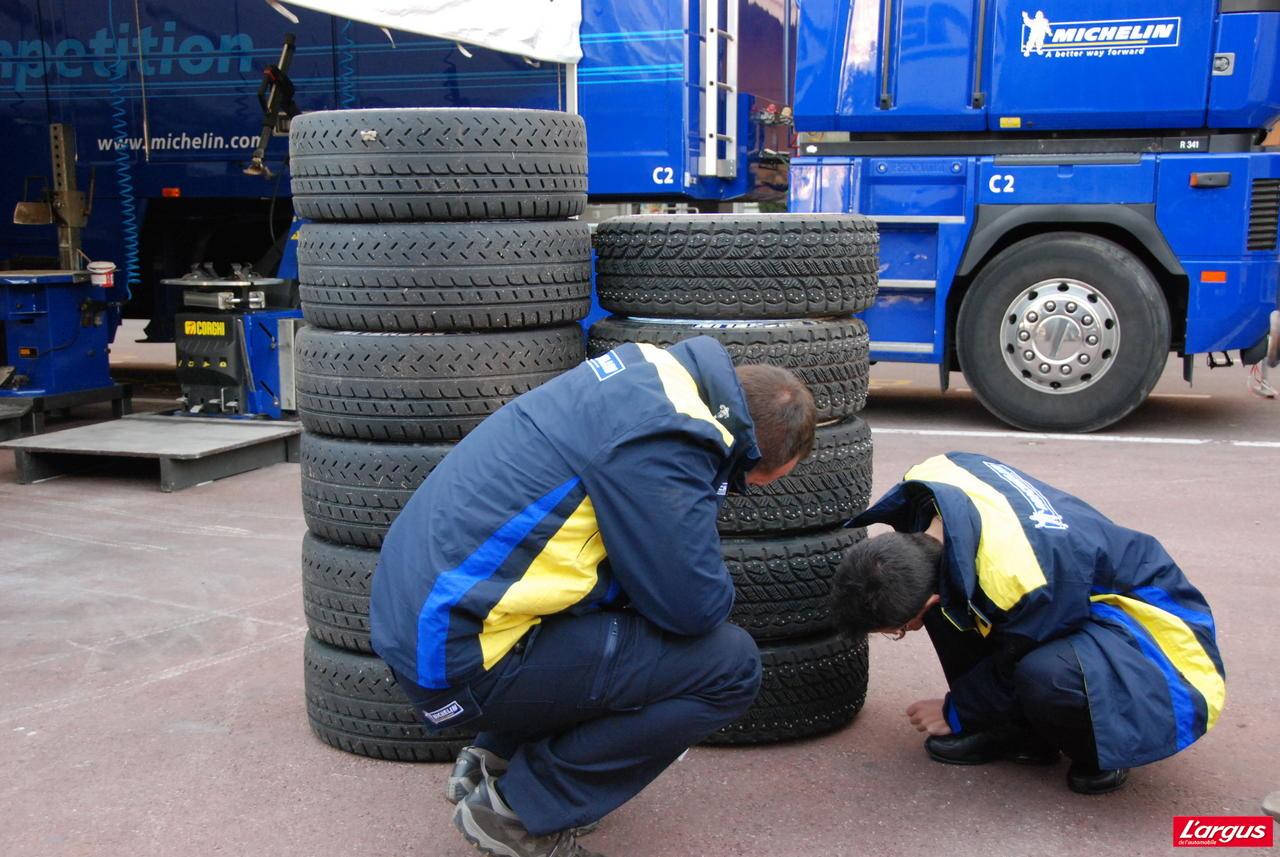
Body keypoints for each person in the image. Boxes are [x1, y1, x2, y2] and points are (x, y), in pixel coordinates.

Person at [370, 336, 816, 857]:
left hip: (423, 624)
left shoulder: (642, 373)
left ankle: (496, 759)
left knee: (618, 596)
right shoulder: (669, 440)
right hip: (458, 659)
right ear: (752, 451)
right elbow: (693, 606)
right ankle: (516, 814)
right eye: (757, 482)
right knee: (727, 665)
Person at [831, 452, 1225, 795]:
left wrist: (956, 712)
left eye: (898, 630)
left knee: (1046, 675)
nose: (902, 633)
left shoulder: (1018, 580)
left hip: (1162, 643)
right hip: (1067, 589)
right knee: (955, 603)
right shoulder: (931, 482)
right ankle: (1014, 732)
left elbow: (1012, 664)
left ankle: (1100, 751)